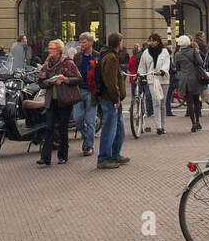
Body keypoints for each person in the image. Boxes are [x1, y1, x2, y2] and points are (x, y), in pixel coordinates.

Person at [35, 39, 81, 165]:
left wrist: (64, 79)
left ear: (59, 50)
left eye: (52, 48)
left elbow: (78, 78)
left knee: (62, 128)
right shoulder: (47, 63)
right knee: (49, 127)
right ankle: (45, 158)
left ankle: (63, 156)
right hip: (51, 100)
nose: (49, 51)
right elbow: (40, 82)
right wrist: (51, 81)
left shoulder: (67, 62)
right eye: (49, 48)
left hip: (64, 100)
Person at [95, 32, 130, 169]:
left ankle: (115, 154)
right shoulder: (111, 58)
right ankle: (104, 158)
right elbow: (110, 81)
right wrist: (116, 97)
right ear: (118, 42)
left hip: (112, 98)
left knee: (119, 127)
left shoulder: (108, 55)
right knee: (109, 128)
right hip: (110, 99)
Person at [137, 34, 171, 135]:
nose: (150, 43)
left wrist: (162, 71)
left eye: (152, 40)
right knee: (156, 101)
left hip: (163, 79)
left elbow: (167, 63)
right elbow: (142, 66)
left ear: (158, 41)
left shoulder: (164, 52)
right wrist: (141, 74)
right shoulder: (146, 53)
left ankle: (163, 125)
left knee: (162, 103)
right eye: (149, 40)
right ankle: (158, 126)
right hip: (152, 79)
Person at [72, 32, 99, 157]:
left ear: (91, 43)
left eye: (84, 42)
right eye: (80, 42)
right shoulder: (77, 57)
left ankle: (89, 146)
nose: (81, 44)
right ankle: (87, 137)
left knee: (90, 121)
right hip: (79, 91)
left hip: (92, 92)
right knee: (77, 119)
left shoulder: (98, 56)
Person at [172, 34, 205, 132]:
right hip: (195, 78)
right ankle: (198, 121)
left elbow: (177, 67)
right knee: (196, 100)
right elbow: (201, 62)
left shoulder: (178, 54)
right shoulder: (194, 51)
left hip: (185, 80)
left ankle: (193, 123)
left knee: (189, 103)